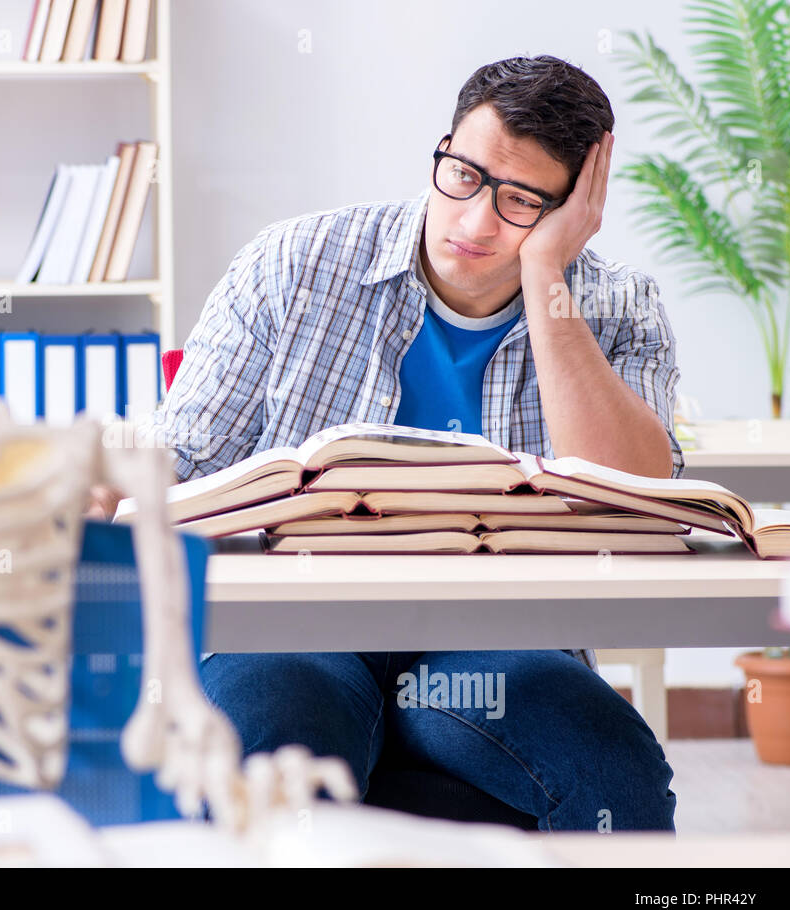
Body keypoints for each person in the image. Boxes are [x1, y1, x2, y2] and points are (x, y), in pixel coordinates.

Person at [88, 55, 679, 830]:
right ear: (440, 150)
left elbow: (636, 500)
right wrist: (109, 481)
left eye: (522, 202)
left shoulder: (619, 304)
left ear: (575, 210)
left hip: (501, 638)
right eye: (464, 176)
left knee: (614, 772)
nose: (474, 222)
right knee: (263, 744)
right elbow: (184, 458)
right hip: (298, 627)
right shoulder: (293, 264)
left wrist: (547, 278)